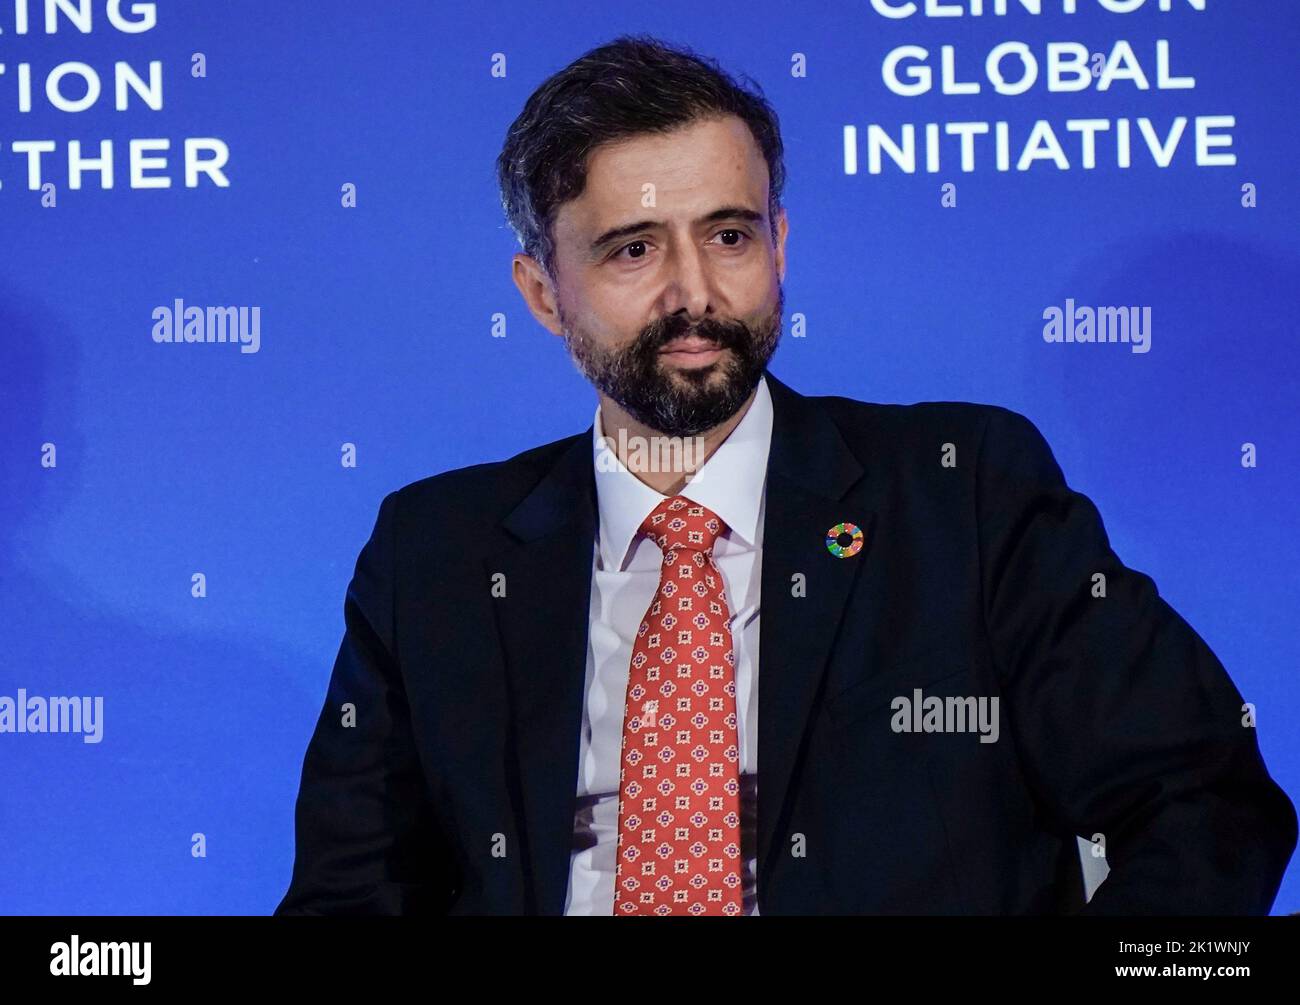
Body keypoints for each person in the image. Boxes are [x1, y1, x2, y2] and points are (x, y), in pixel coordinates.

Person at [275, 34, 1296, 916]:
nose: (695, 294)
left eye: (728, 235)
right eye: (632, 251)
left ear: (781, 244)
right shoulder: (436, 551)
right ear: (542, 292)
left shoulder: (960, 492)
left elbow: (1203, 798)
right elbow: (350, 898)